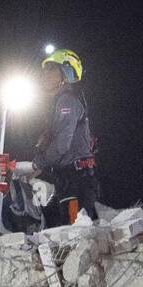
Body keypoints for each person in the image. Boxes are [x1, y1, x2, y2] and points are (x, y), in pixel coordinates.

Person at [34, 48, 99, 226]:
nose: (45, 75)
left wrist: (38, 164)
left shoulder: (67, 101)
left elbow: (62, 145)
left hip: (77, 181)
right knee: (62, 229)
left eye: (51, 70)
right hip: (68, 179)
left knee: (74, 235)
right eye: (45, 71)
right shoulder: (58, 103)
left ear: (67, 73)